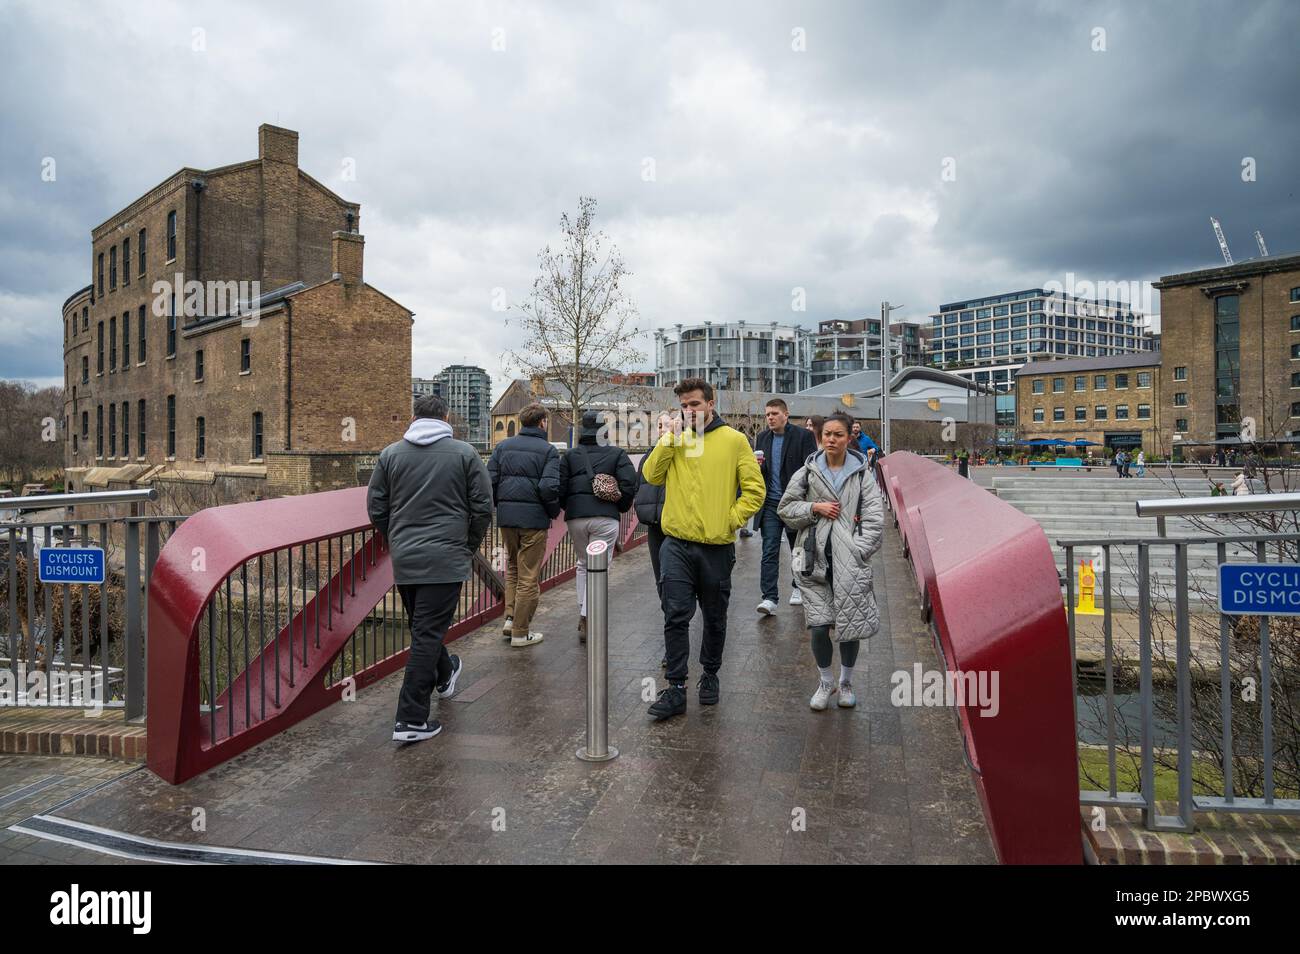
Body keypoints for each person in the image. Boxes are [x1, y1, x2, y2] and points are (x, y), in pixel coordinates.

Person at [368, 394, 492, 743]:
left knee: (423, 628)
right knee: (426, 633)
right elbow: (483, 507)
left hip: (407, 557)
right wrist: (467, 545)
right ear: (446, 416)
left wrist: (396, 537)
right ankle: (410, 720)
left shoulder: (390, 455)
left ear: (414, 417)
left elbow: (376, 506)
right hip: (446, 558)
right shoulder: (465, 454)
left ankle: (446, 671)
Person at [642, 377, 765, 720]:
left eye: (695, 404)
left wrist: (730, 520)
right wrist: (668, 438)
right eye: (684, 405)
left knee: (714, 616)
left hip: (715, 547)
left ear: (711, 404)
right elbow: (651, 476)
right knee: (675, 614)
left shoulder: (734, 440)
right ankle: (677, 686)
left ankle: (710, 674)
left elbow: (755, 490)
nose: (689, 410)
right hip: (676, 543)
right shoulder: (676, 441)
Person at [777, 412, 884, 711]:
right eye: (827, 434)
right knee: (820, 626)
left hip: (849, 563)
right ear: (820, 436)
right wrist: (815, 507)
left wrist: (856, 550)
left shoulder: (862, 474)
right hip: (812, 561)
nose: (831, 439)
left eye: (838, 434)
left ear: (850, 437)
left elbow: (876, 520)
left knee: (850, 625)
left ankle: (846, 682)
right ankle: (826, 681)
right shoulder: (808, 472)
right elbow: (785, 509)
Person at [487, 402, 560, 649]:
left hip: (507, 519)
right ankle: (520, 632)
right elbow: (549, 487)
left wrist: (502, 507)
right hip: (533, 520)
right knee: (529, 575)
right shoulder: (549, 451)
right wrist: (551, 512)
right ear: (542, 423)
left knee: (513, 568)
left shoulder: (502, 447)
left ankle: (509, 619)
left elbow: (490, 482)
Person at [560, 410, 637, 643]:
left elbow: (561, 487)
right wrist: (620, 506)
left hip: (576, 518)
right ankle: (587, 615)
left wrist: (570, 507)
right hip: (605, 519)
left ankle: (584, 609)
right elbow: (629, 483)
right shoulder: (617, 454)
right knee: (599, 569)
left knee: (583, 565)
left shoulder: (571, 455)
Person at [753, 399, 817, 616]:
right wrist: (758, 468)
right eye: (767, 414)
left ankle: (798, 587)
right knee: (769, 550)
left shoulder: (803, 436)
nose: (770, 418)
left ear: (785, 414)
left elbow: (811, 471)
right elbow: (760, 475)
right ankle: (769, 598)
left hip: (794, 504)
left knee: (797, 549)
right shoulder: (761, 438)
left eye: (774, 413)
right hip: (771, 505)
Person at [634, 412, 674, 668]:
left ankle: (673, 645)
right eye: (659, 425)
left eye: (668, 425)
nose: (662, 429)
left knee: (673, 583)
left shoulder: (684, 452)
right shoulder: (649, 455)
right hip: (654, 527)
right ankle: (672, 626)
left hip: (676, 527)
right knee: (662, 582)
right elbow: (641, 484)